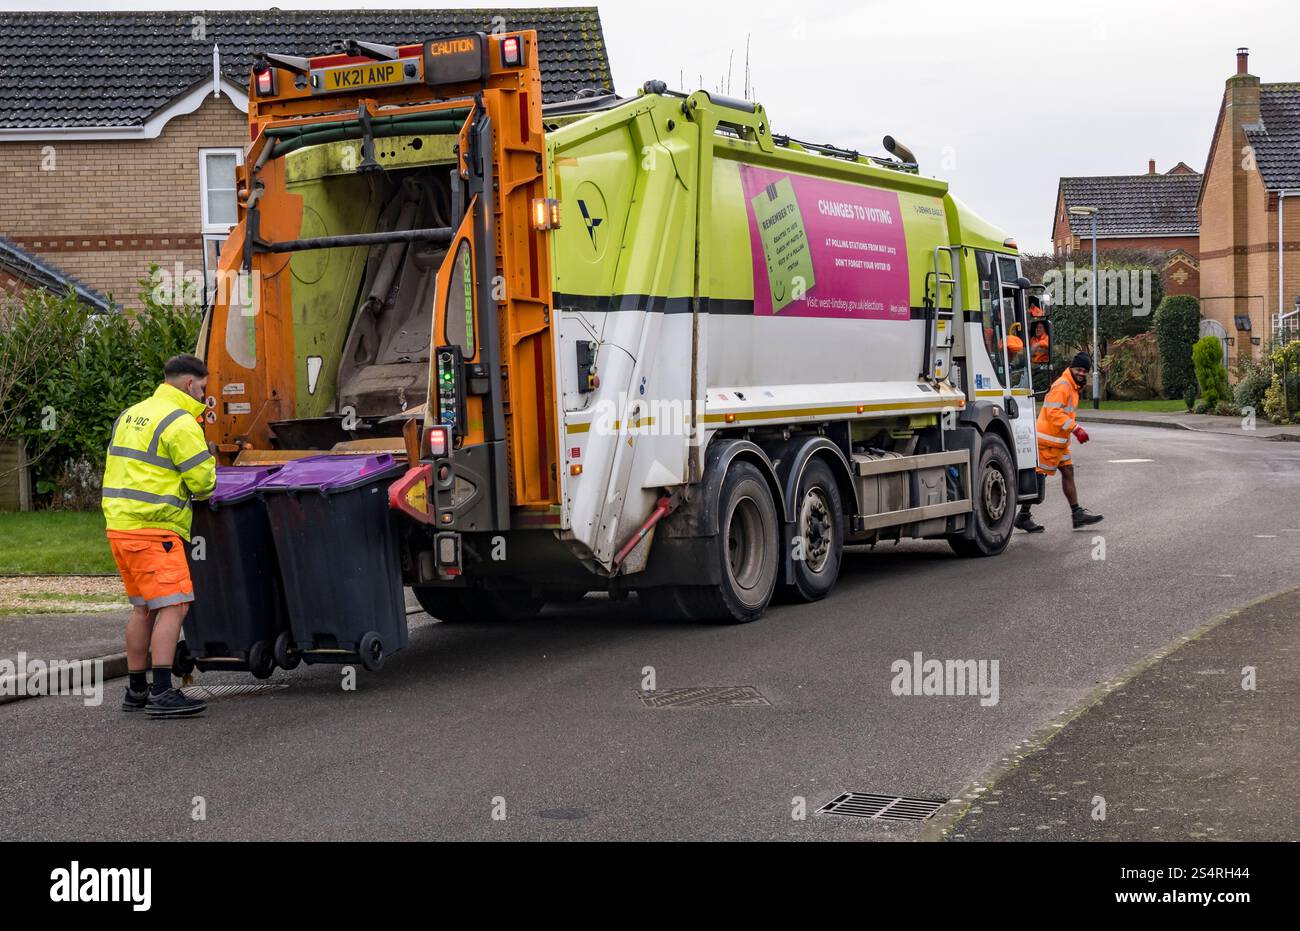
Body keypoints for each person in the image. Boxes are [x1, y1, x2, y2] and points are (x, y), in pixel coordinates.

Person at [101, 354, 216, 717]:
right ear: (188, 384)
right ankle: (163, 692)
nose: (203, 396)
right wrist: (208, 460)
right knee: (174, 605)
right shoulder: (180, 423)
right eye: (202, 389)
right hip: (154, 529)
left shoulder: (131, 413)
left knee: (143, 609)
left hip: (120, 525)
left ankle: (136, 689)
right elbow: (203, 484)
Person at [1014, 352, 1103, 533]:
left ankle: (1076, 514)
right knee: (1038, 480)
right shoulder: (1062, 386)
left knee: (1068, 471)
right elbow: (1054, 413)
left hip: (1059, 441)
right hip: (1046, 440)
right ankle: (1023, 515)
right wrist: (1076, 428)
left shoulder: (1072, 386)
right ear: (1071, 368)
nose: (1081, 373)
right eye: (1078, 369)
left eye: (1084, 371)